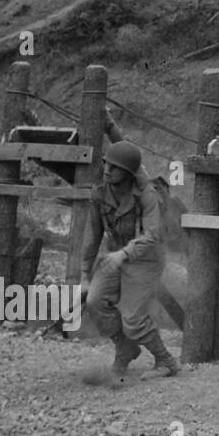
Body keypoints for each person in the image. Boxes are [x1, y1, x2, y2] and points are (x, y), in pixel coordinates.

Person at [83, 140, 179, 383]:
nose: (107, 170)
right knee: (94, 301)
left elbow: (152, 236)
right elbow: (93, 235)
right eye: (106, 164)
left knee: (132, 318)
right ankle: (125, 348)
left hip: (146, 261)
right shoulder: (99, 193)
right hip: (114, 258)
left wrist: (123, 255)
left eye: (114, 167)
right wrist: (85, 274)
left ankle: (165, 360)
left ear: (127, 173)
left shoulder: (147, 196)